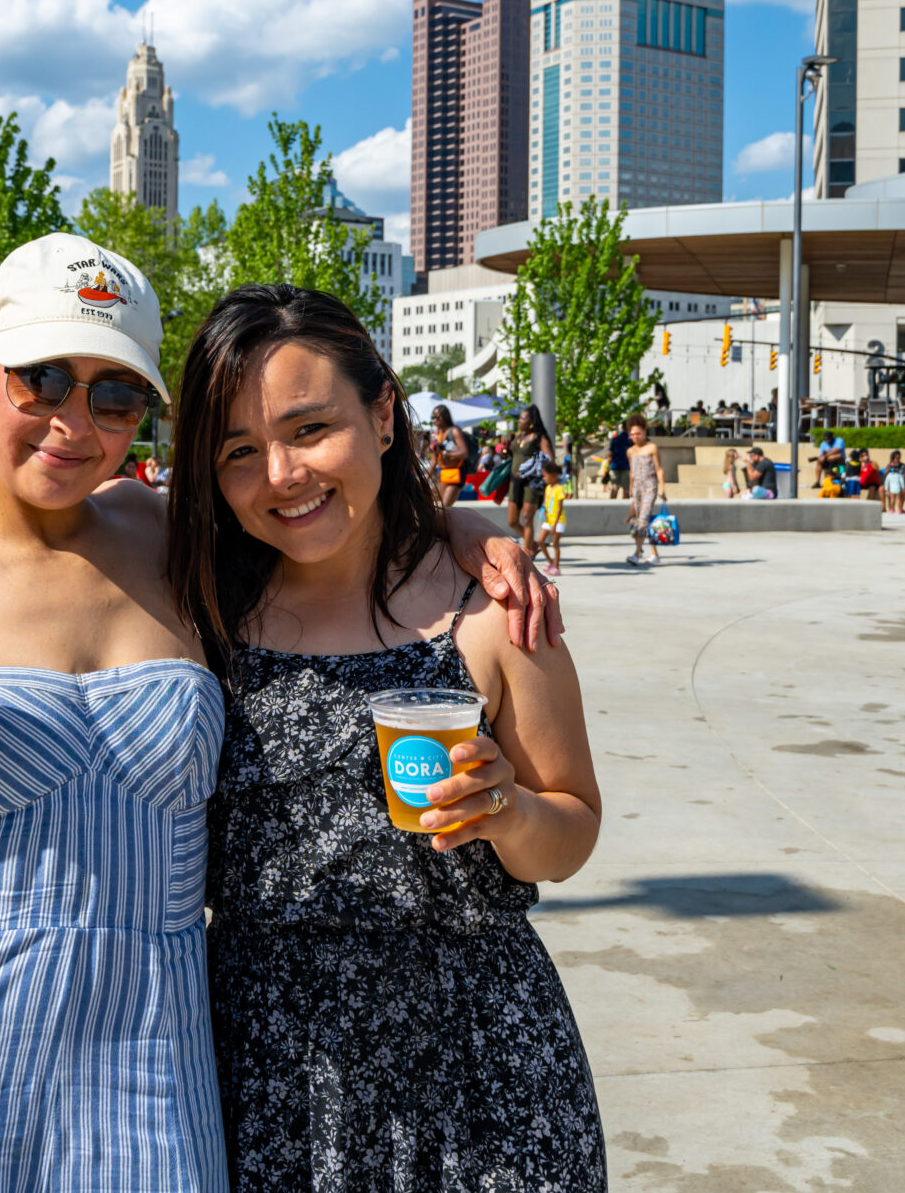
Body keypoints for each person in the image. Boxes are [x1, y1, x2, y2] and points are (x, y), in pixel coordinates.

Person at [0, 235, 554, 1189]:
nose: (73, 421)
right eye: (42, 379)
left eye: (114, 395)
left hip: (138, 1070)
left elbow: (310, 502)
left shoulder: (175, 538)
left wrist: (468, 530)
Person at [163, 283, 605, 1190]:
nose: (282, 474)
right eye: (240, 450)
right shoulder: (198, 609)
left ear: (383, 414)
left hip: (479, 1063)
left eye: (310, 429)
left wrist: (510, 809)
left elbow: (574, 826)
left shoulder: (491, 608)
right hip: (265, 1066)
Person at [507, 405, 557, 549]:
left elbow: (549, 460)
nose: (519, 421)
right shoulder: (519, 436)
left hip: (531, 483)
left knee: (527, 519)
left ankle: (527, 553)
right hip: (515, 482)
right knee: (512, 521)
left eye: (523, 418)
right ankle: (533, 544)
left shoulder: (539, 438)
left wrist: (530, 469)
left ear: (531, 422)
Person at [624, 413, 665, 567]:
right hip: (637, 489)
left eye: (638, 433)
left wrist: (662, 488)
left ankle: (637, 554)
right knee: (641, 521)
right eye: (632, 434)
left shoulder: (652, 447)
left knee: (643, 520)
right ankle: (654, 553)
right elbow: (631, 473)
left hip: (650, 487)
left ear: (644, 432)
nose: (635, 436)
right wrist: (630, 490)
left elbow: (659, 469)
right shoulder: (630, 451)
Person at [536, 455, 567, 575]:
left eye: (545, 475)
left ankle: (557, 567)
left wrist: (555, 524)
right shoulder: (548, 488)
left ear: (553, 475)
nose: (544, 478)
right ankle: (550, 561)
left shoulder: (559, 489)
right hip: (548, 520)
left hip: (557, 521)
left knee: (556, 544)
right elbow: (546, 502)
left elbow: (559, 508)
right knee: (540, 541)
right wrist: (543, 510)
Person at [604, 421, 632, 501]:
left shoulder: (615, 439)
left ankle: (612, 507)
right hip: (626, 466)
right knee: (626, 490)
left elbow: (610, 454)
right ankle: (625, 508)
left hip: (615, 465)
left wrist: (607, 467)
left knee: (614, 488)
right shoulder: (630, 440)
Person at [881, 449, 905, 514]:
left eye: (898, 458)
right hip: (891, 484)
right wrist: (888, 469)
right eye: (895, 458)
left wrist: (898, 485)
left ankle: (900, 508)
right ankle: (884, 508)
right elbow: (885, 477)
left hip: (900, 484)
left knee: (901, 491)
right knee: (881, 489)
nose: (897, 459)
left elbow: (904, 478)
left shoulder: (904, 466)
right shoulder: (890, 466)